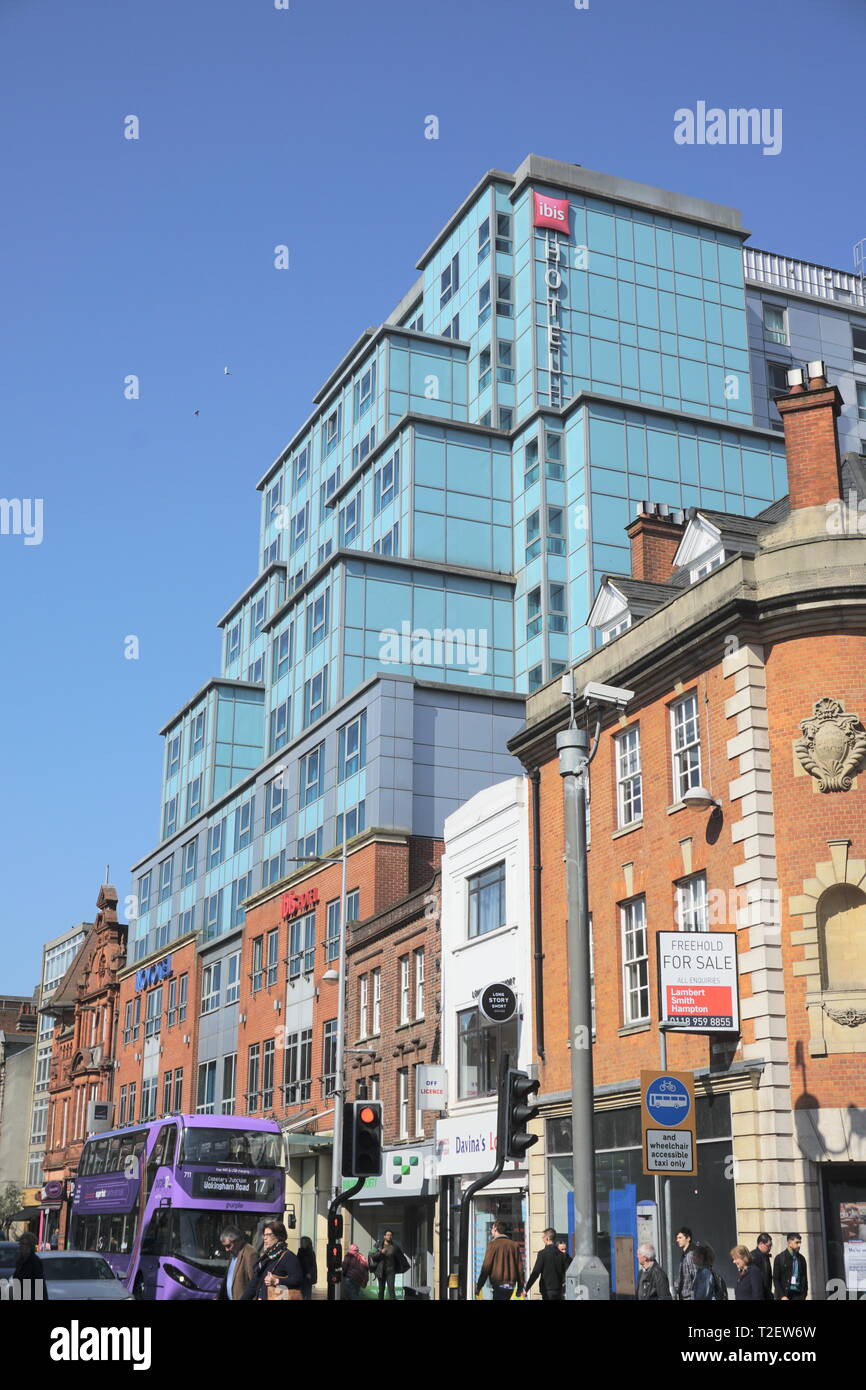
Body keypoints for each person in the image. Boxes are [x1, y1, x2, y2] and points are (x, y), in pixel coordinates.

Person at [241, 1220, 303, 1300]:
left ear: (279, 1236)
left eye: (269, 1235)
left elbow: (298, 1280)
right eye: (264, 1235)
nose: (265, 1238)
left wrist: (277, 1281)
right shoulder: (266, 1258)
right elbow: (253, 1285)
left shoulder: (288, 1257)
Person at [475, 1220, 524, 1301]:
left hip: (499, 1284)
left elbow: (486, 1267)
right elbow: (520, 1268)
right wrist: (520, 1288)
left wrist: (479, 1286)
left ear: (495, 1229)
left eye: (492, 1228)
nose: (491, 1230)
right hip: (510, 1286)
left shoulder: (492, 1245)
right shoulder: (514, 1245)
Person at [525, 1227, 568, 1301]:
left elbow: (535, 1273)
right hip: (558, 1289)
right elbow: (567, 1271)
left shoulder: (542, 1254)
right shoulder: (562, 1255)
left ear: (547, 1238)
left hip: (546, 1290)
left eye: (543, 1237)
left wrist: (526, 1288)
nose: (542, 1239)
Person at [217, 1225, 258, 1300]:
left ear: (238, 1240)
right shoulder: (233, 1252)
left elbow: (254, 1283)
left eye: (228, 1246)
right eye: (225, 1246)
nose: (226, 1249)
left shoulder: (250, 1253)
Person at [369, 1229, 407, 1300]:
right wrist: (381, 1252)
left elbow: (401, 1257)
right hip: (381, 1271)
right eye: (388, 1235)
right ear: (384, 1236)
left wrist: (403, 1266)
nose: (389, 1236)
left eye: (391, 1235)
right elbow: (372, 1256)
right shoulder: (378, 1245)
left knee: (391, 1290)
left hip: (391, 1271)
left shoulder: (395, 1246)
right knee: (381, 1290)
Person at [773, 1232, 808, 1301]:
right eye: (797, 1242)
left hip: (798, 1295)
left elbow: (804, 1278)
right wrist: (782, 1296)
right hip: (785, 1294)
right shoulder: (780, 1258)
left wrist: (803, 1295)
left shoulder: (801, 1259)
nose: (799, 1245)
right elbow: (776, 1279)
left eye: (800, 1242)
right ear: (789, 1243)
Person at [13, 1233, 47, 1299]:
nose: (21, 1246)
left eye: (24, 1244)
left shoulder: (35, 1262)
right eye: (20, 1244)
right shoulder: (20, 1261)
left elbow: (39, 1285)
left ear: (30, 1246)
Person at [673, 1227, 699, 1300]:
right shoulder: (685, 1254)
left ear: (688, 1238)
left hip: (690, 1296)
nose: (677, 1240)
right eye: (677, 1238)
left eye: (680, 1238)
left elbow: (696, 1276)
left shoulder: (691, 1255)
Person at [749, 1233, 773, 1301]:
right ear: (761, 1244)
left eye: (771, 1246)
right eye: (768, 1246)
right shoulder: (753, 1257)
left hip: (767, 1293)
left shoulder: (765, 1255)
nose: (770, 1248)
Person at [297, 1235, 317, 1301]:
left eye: (303, 1242)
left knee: (308, 1294)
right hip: (301, 1274)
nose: (302, 1244)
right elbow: (298, 1262)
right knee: (301, 1294)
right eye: (301, 1242)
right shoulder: (300, 1251)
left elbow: (313, 1265)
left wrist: (310, 1273)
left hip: (308, 1275)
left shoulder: (311, 1252)